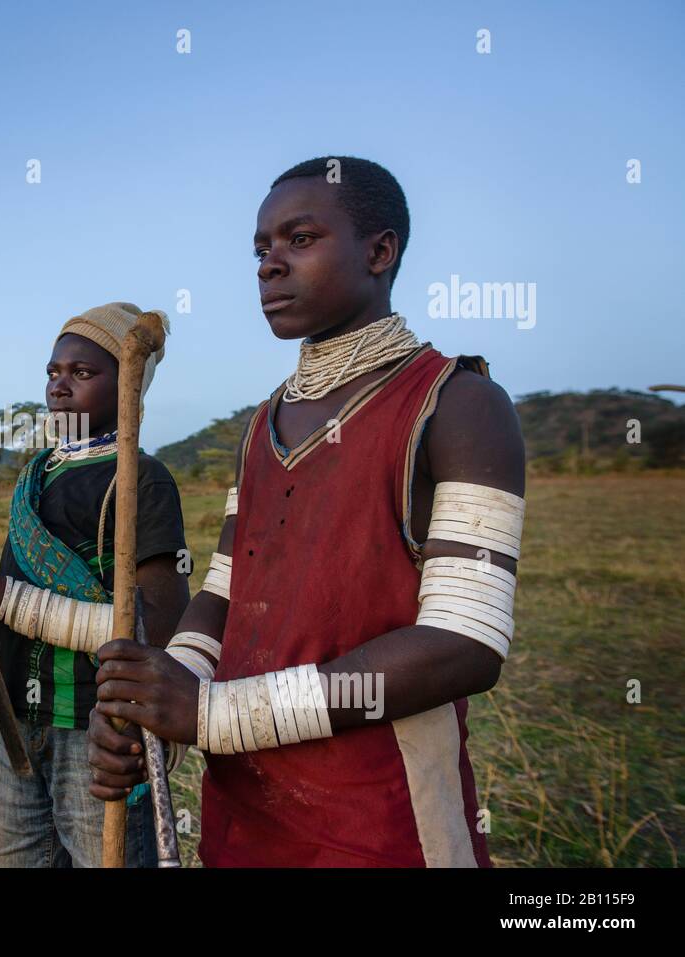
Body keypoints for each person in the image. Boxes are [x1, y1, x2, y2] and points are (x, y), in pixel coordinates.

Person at [89, 158, 526, 867]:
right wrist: (160, 709)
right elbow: (225, 594)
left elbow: (466, 642)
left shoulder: (460, 404)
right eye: (260, 249)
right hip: (245, 812)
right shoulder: (262, 425)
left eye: (299, 239)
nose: (268, 265)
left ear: (380, 252)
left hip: (383, 821)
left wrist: (211, 714)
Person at [0, 302, 190, 867]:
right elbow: (17, 587)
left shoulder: (141, 480)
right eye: (53, 372)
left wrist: (4, 599)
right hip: (18, 718)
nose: (60, 387)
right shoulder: (35, 475)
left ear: (130, 386)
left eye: (83, 374)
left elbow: (155, 628)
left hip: (95, 727)